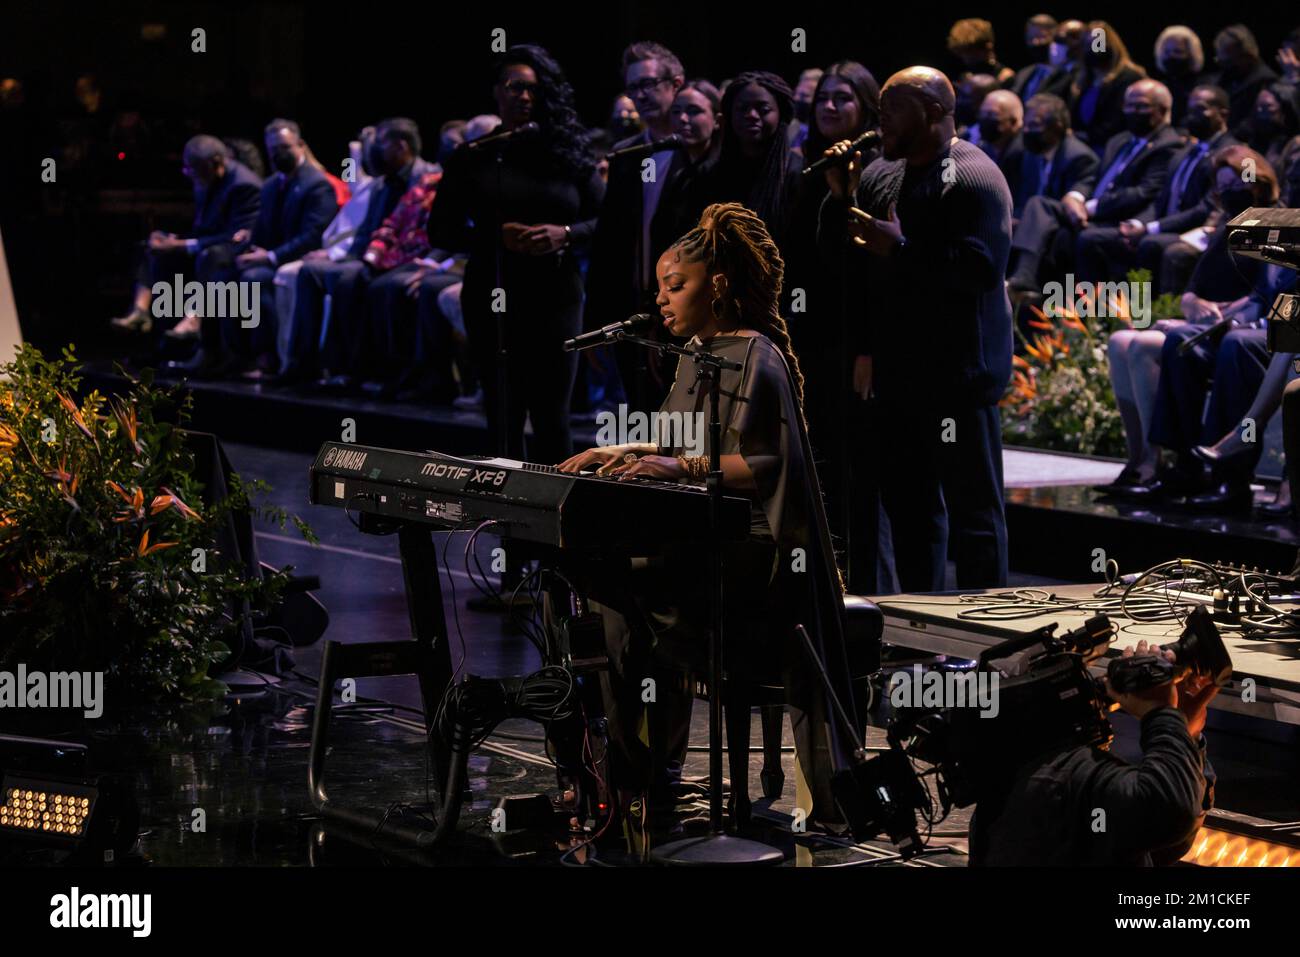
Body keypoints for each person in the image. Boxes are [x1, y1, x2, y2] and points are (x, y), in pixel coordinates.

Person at [558, 202, 856, 829]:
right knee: (606, 584)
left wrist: (682, 470)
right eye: (660, 288)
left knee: (627, 592)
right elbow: (674, 441)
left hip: (760, 560)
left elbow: (768, 463)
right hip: (708, 545)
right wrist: (623, 450)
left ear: (718, 286)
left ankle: (645, 771)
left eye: (676, 286)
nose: (663, 301)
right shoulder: (698, 352)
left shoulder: (755, 355)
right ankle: (639, 772)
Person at [819, 66, 1013, 592]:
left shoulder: (973, 176)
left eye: (894, 109)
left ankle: (985, 634)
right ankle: (918, 627)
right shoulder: (884, 172)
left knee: (975, 515)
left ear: (932, 112)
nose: (881, 119)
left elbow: (981, 270)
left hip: (959, 373)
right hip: (901, 373)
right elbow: (861, 269)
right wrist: (843, 198)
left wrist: (902, 249)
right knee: (912, 509)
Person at [427, 44, 604, 466]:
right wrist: (494, 237)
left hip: (556, 296)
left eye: (534, 89)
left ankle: (556, 518)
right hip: (494, 294)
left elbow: (605, 222)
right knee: (503, 417)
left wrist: (564, 233)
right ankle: (506, 520)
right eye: (515, 87)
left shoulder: (570, 154)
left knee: (552, 418)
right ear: (497, 92)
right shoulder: (474, 156)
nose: (525, 96)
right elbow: (440, 230)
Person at [1105, 146, 1280, 505]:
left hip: (1246, 328)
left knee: (1221, 344)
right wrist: (1196, 306)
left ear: (1258, 183)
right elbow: (1194, 290)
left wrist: (1230, 314)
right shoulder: (1227, 228)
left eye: (1237, 184)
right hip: (1219, 323)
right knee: (1155, 339)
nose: (1229, 193)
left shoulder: (1271, 224)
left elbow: (1266, 295)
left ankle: (1222, 475)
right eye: (1222, 187)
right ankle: (1176, 460)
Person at [970, 640, 1217, 867]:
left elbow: (1160, 842)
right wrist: (1161, 713)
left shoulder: (1025, 774)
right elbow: (1169, 813)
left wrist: (1184, 734)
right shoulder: (1062, 779)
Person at [786, 60, 883, 591]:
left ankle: (866, 589)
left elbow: (864, 269)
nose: (829, 106)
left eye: (843, 98)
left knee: (856, 475)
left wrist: (866, 348)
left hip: (851, 338)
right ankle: (823, 586)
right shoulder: (804, 165)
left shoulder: (878, 170)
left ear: (866, 106)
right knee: (817, 464)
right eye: (823, 97)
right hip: (809, 335)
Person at [170, 118, 338, 379]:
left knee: (253, 279)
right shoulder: (271, 185)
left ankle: (266, 357)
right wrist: (247, 245)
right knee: (222, 273)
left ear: (301, 145)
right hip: (270, 256)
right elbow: (260, 229)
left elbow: (313, 236)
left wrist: (270, 256)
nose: (278, 155)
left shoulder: (317, 185)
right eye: (273, 150)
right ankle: (227, 353)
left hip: (298, 259)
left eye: (284, 147)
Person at [277, 117, 437, 387]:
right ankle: (303, 364)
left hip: (405, 258)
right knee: (310, 272)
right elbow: (365, 232)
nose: (374, 150)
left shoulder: (429, 179)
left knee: (349, 280)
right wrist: (343, 256)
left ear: (401, 146)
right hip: (371, 253)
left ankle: (349, 368)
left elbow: (424, 233)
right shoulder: (381, 183)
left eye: (380, 143)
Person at [583, 41, 687, 414]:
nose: (639, 95)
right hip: (634, 313)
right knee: (642, 425)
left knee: (687, 432)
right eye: (633, 87)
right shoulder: (628, 153)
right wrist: (595, 322)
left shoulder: (697, 151)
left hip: (686, 313)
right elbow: (608, 243)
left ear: (676, 83)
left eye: (648, 84)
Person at [1008, 80, 1181, 300]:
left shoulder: (1168, 145)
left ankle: (1067, 305)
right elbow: (1093, 178)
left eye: (1141, 106)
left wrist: (1089, 208)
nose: (1132, 112)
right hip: (1089, 210)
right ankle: (1023, 281)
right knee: (1039, 204)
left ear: (1163, 110)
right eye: (1128, 106)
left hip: (1119, 217)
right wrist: (1075, 196)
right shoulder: (1119, 140)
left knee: (1061, 234)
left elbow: (1143, 192)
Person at [1076, 85, 1236, 289]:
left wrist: (1149, 229)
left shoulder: (1228, 154)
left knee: (1150, 244)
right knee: (1091, 238)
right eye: (1190, 110)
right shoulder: (1187, 149)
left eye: (1201, 109)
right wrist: (1138, 224)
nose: (1192, 116)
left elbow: (1204, 209)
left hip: (1196, 231)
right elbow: (1161, 198)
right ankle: (1093, 312)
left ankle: (1144, 313)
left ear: (1223, 114)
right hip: (1162, 226)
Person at [109, 135, 260, 336]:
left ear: (215, 164)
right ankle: (141, 311)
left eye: (193, 169)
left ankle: (195, 318)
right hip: (208, 242)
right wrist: (172, 239)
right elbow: (203, 226)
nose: (188, 174)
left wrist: (183, 244)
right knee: (154, 247)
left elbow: (237, 237)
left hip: (232, 250)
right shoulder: (206, 179)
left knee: (210, 257)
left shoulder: (244, 186)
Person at [700, 71, 801, 248]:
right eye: (742, 109)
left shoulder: (798, 173)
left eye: (763, 109)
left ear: (781, 114)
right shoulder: (711, 173)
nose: (752, 115)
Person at [1001, 93, 1099, 223]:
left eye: (1034, 125)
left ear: (1057, 126)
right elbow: (1024, 196)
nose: (1026, 130)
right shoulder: (1030, 153)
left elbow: (1063, 207)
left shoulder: (1078, 157)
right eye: (1025, 124)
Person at [1069, 21, 1146, 151]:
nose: (1094, 49)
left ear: (1111, 45)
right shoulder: (1084, 79)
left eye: (1098, 43)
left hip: (1114, 148)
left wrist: (1087, 136)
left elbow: (1119, 121)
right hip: (1084, 146)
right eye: (1088, 44)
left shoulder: (1129, 77)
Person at [1208, 24, 1278, 138]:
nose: (1222, 63)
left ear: (1247, 55)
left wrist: (1223, 139)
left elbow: (1253, 122)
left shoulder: (1265, 81)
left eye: (1228, 60)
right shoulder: (1224, 78)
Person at [1153, 25, 1207, 126]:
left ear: (1192, 54)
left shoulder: (1203, 88)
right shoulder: (1158, 87)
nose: (1171, 56)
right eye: (1167, 52)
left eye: (1178, 52)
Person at [1009, 13, 1065, 103]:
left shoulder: (1065, 74)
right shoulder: (1023, 74)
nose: (1035, 42)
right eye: (1030, 38)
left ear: (1055, 38)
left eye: (1040, 37)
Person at [945, 18, 1015, 86]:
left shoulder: (1005, 77)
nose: (965, 57)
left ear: (988, 47)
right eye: (961, 52)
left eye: (970, 51)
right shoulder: (963, 78)